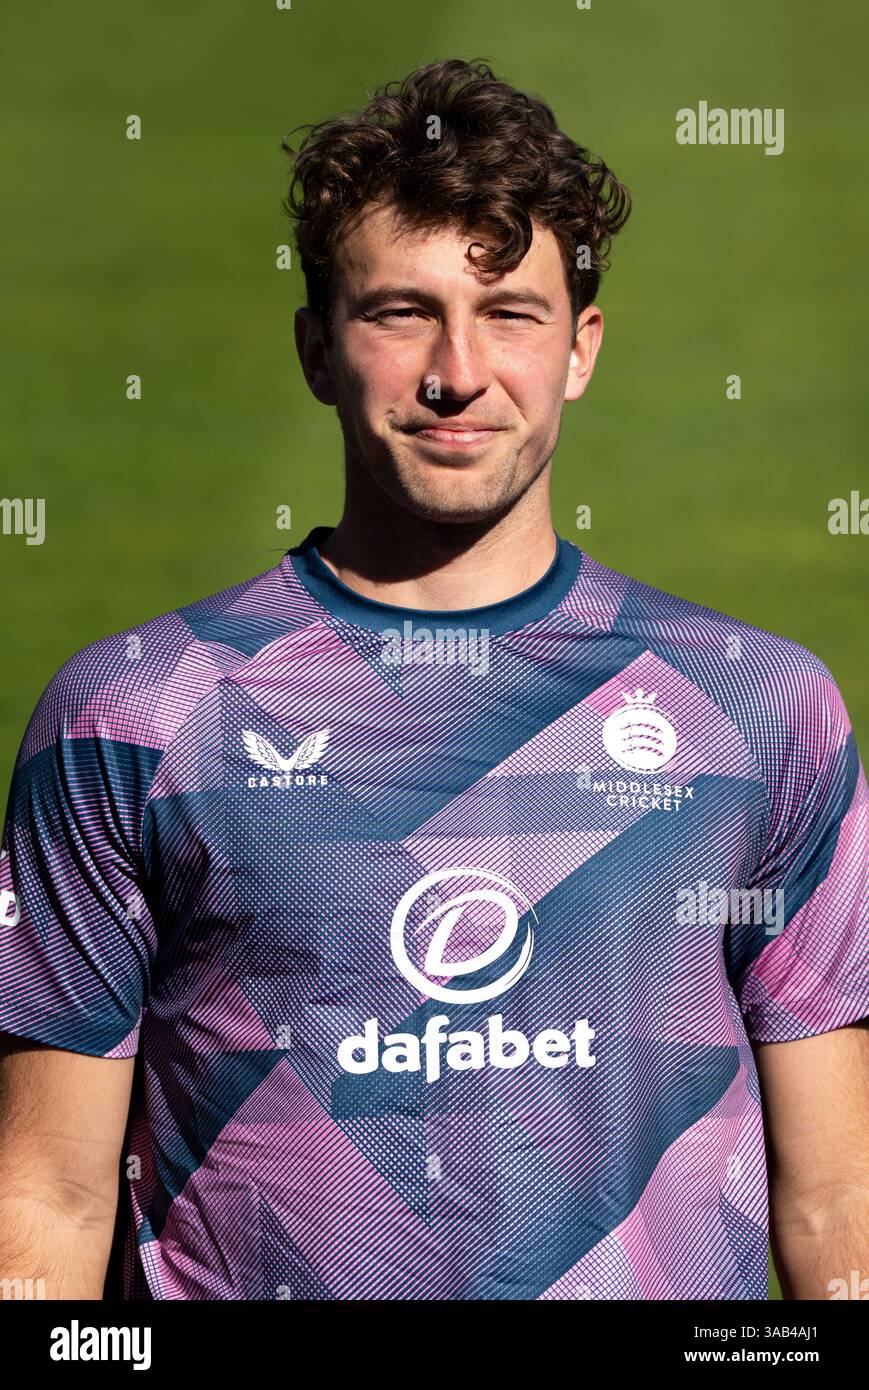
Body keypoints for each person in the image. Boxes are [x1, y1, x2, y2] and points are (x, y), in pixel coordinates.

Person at [0, 58, 866, 1303]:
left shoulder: (755, 708)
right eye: (398, 313)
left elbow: (835, 1198)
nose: (457, 371)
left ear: (580, 348)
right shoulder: (135, 717)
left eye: (510, 313)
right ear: (313, 349)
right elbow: (50, 1199)